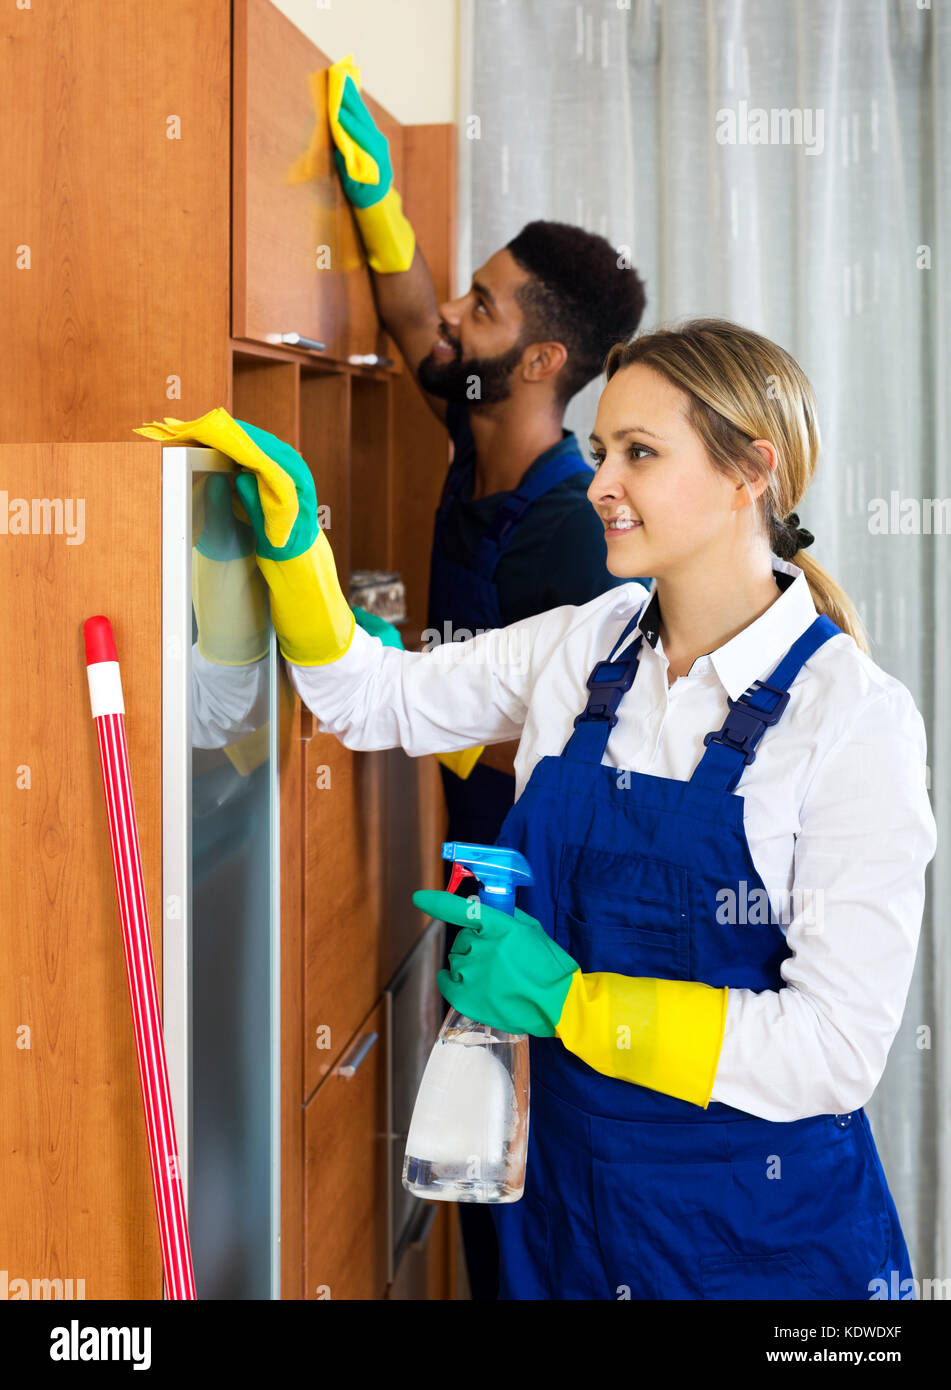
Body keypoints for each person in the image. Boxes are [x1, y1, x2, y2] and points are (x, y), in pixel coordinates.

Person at [230, 316, 937, 1301]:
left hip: (751, 1242)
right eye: (601, 450)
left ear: (749, 473)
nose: (599, 482)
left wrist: (572, 1003)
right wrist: (292, 546)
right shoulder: (588, 643)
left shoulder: (852, 720)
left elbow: (835, 1051)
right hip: (561, 1214)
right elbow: (372, 699)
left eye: (638, 453)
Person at [327, 53, 647, 1297]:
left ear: (541, 362)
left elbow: (575, 745)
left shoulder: (570, 528)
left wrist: (427, 706)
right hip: (466, 864)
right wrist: (375, 200)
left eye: (487, 305)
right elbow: (414, 325)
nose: (458, 314)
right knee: (474, 1170)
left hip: (536, 893)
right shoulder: (475, 428)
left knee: (517, 1178)